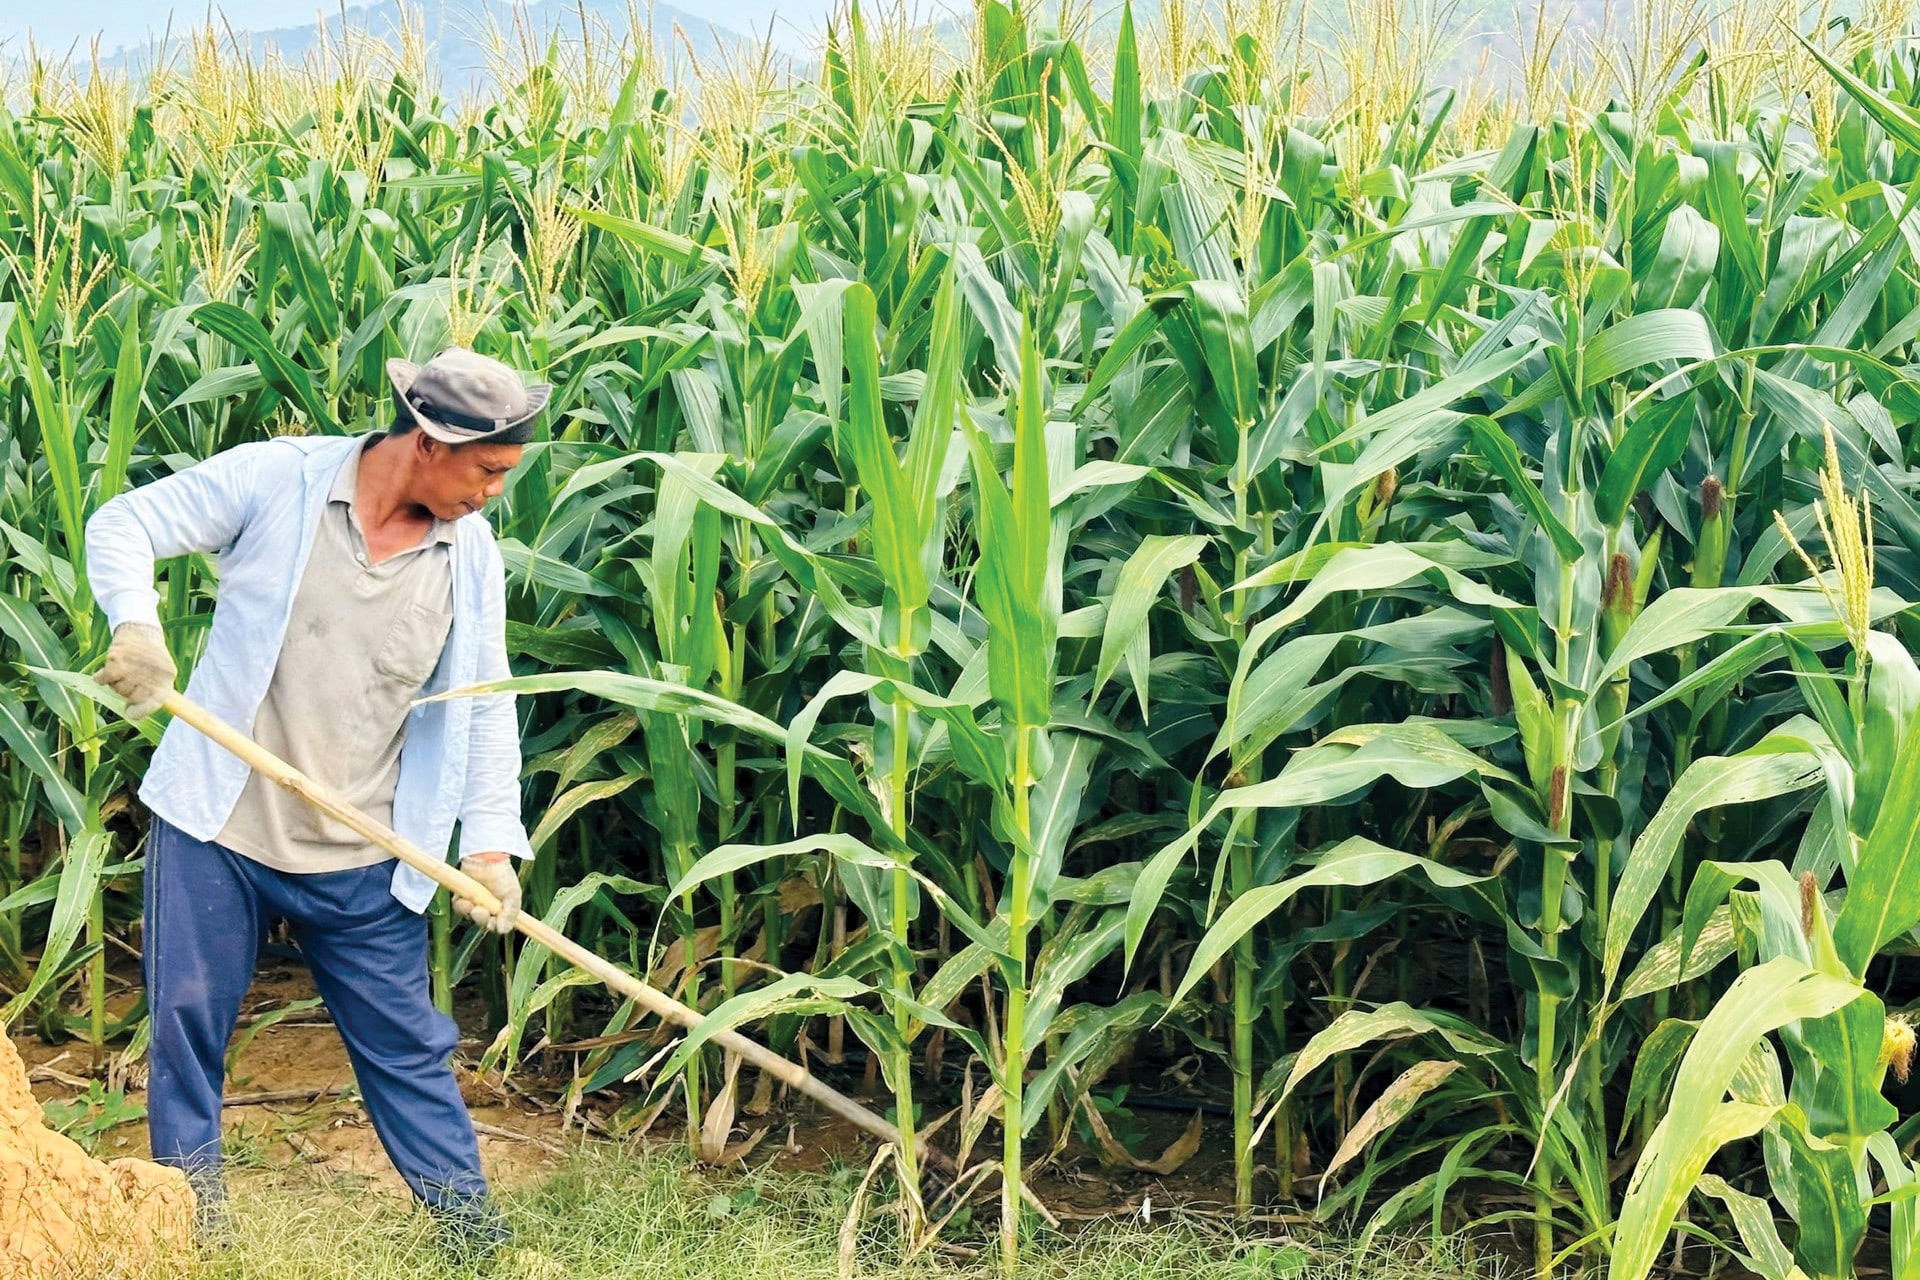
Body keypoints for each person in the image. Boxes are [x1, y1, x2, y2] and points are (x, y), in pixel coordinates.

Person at [86, 347, 543, 1259]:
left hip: (367, 849)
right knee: (186, 1026)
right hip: (220, 825)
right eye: (488, 471)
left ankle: (476, 1245)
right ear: (430, 440)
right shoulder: (276, 480)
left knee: (408, 1048)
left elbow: (483, 704)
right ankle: (195, 1236)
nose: (496, 493)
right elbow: (122, 523)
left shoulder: (472, 554)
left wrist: (491, 848)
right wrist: (135, 623)